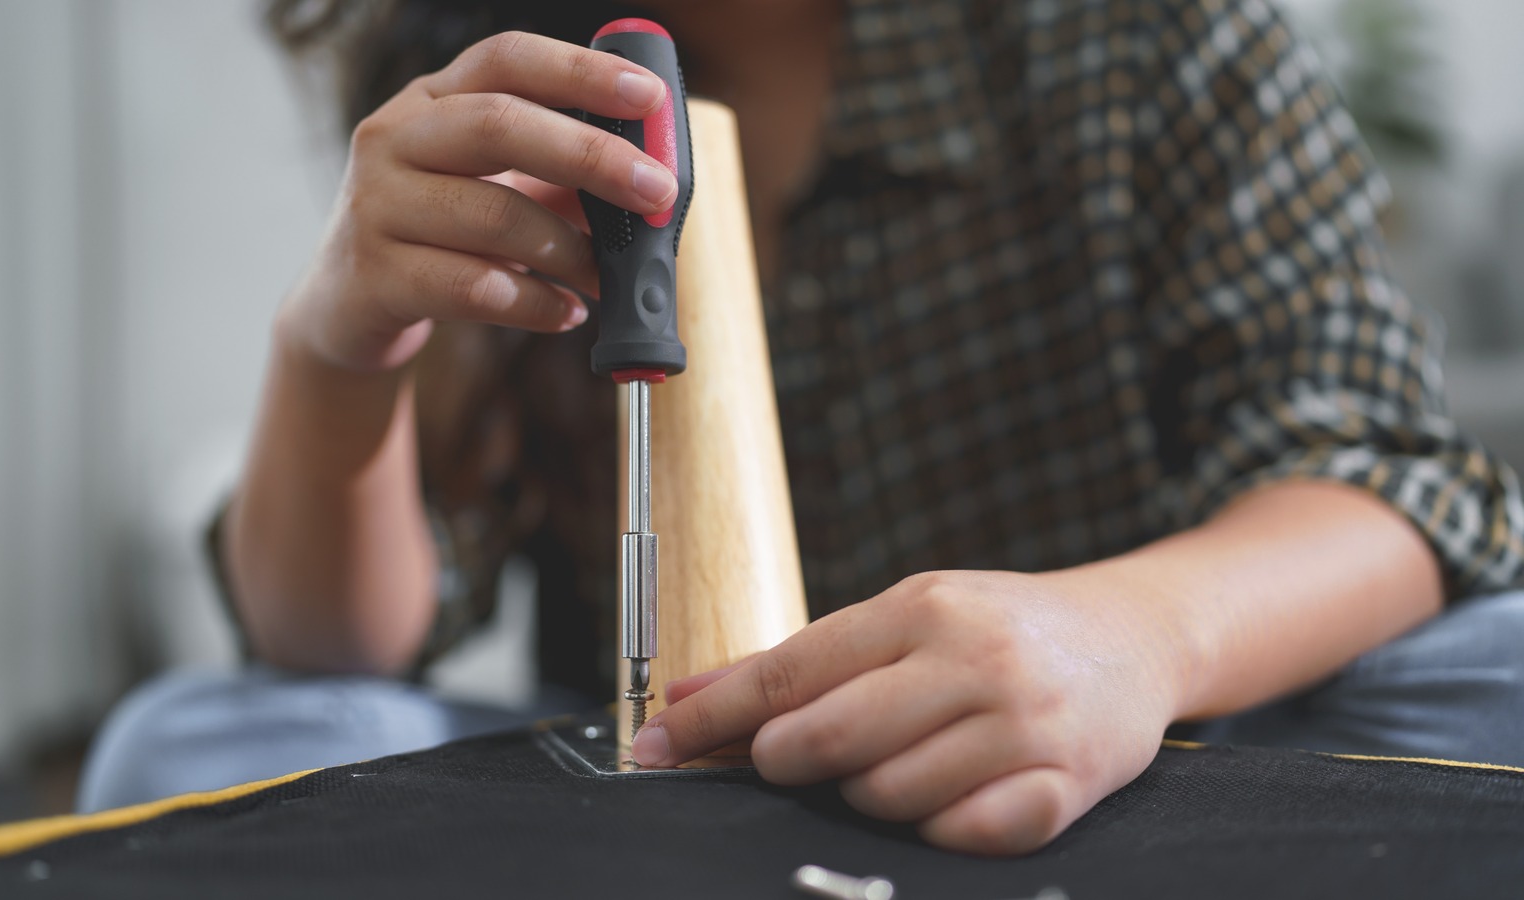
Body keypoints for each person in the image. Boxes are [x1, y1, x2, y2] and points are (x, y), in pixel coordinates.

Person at [78, 0, 1524, 856]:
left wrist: (1128, 640)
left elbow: (1388, 480)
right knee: (188, 748)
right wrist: (335, 350)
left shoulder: (1133, 38)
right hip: (673, 806)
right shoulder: (481, 56)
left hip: (1136, 774)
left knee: (1497, 669)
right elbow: (344, 650)